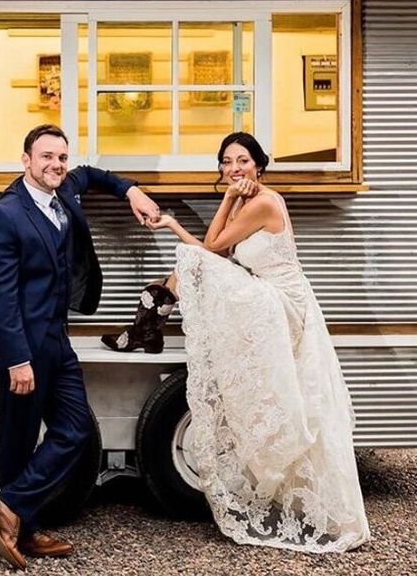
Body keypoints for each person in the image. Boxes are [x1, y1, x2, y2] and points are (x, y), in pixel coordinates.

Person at [103, 131, 370, 553]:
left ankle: (151, 314)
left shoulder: (263, 201)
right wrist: (176, 222)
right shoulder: (247, 201)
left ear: (259, 166)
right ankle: (154, 313)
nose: (233, 169)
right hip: (267, 294)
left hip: (283, 303)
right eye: (226, 162)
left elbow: (210, 248)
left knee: (195, 262)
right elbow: (213, 254)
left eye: (242, 161)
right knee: (194, 262)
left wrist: (224, 201)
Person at [0, 123, 160, 570]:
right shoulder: (6, 214)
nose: (56, 164)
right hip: (24, 347)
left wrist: (131, 190)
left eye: (61, 157)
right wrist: (19, 359)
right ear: (26, 161)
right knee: (18, 442)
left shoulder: (66, 188)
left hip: (58, 340)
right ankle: (27, 526)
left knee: (76, 430)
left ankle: (10, 506)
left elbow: (93, 175)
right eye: (46, 157)